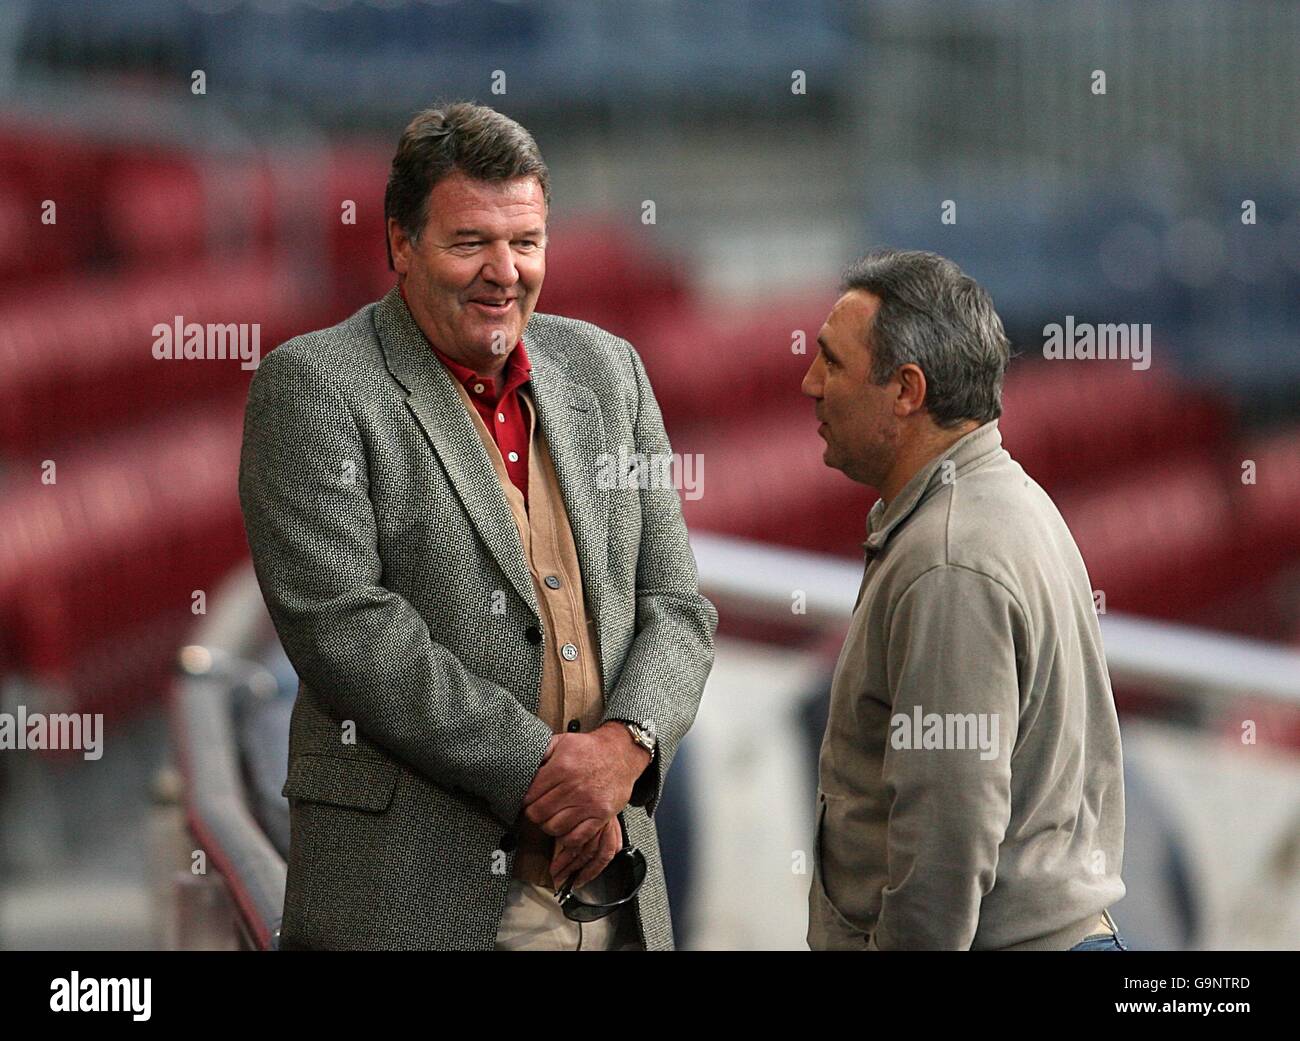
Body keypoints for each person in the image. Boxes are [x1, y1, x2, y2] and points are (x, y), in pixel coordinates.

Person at [238, 102, 717, 951]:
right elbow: (344, 627)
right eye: (471, 243)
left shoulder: (610, 370)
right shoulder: (313, 385)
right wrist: (550, 773)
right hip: (408, 902)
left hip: (606, 893)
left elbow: (676, 601)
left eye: (525, 241)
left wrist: (624, 748)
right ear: (400, 245)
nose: (505, 271)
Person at [800, 248, 1127, 951]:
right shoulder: (1007, 503)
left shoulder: (949, 558)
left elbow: (947, 830)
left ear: (906, 390)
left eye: (832, 362)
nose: (809, 383)